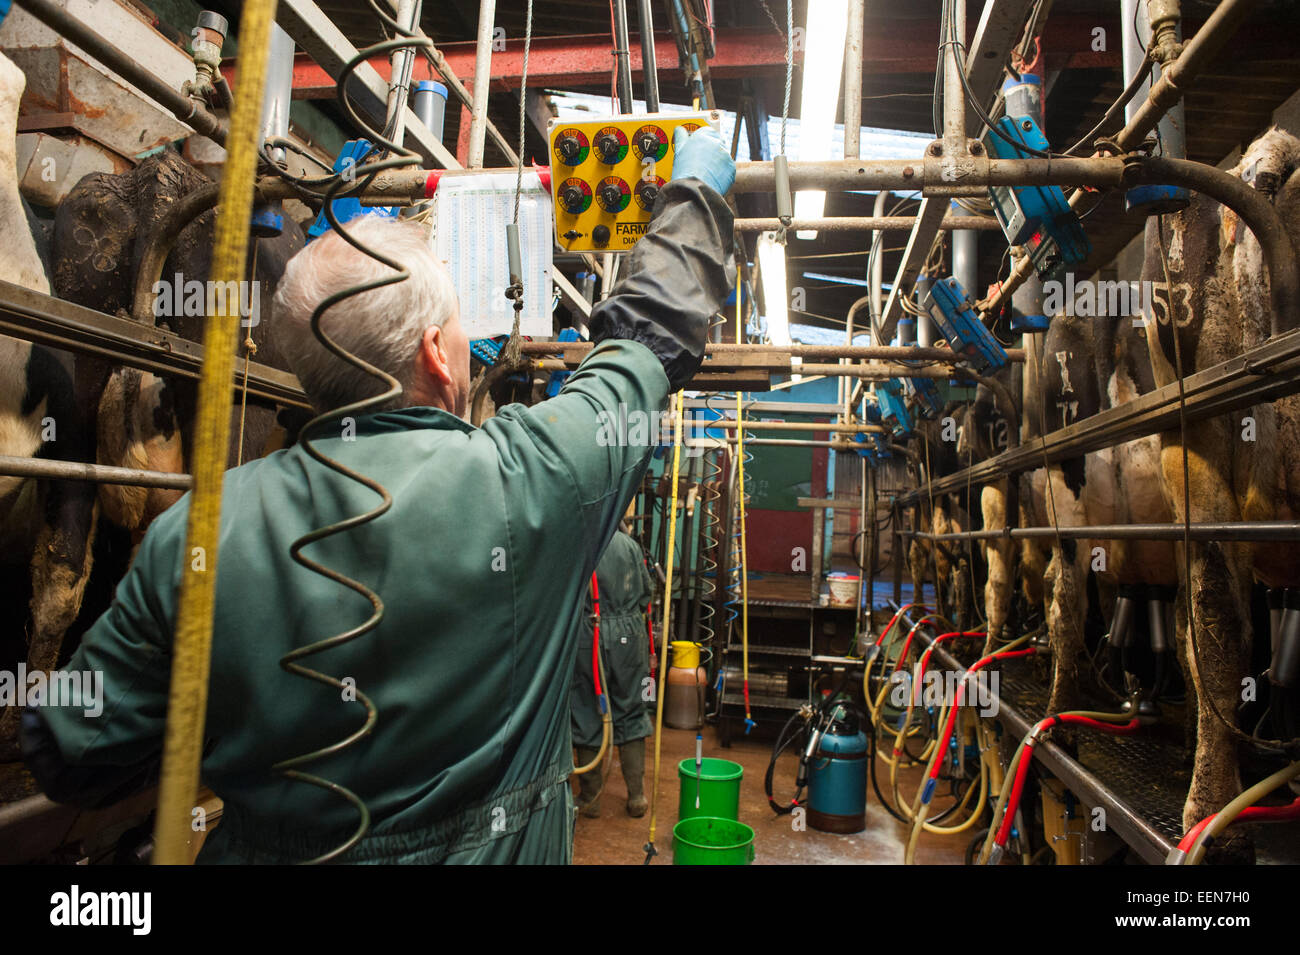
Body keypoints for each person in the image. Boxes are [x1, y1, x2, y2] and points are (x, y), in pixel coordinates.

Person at [20, 126, 736, 864]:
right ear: (435, 351)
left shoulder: (195, 532)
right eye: (459, 326)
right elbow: (649, 340)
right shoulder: (536, 477)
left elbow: (69, 750)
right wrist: (694, 194)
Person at [571, 523, 655, 818]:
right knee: (632, 708)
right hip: (628, 636)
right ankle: (637, 797)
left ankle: (591, 799)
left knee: (586, 709)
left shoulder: (578, 543)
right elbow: (647, 593)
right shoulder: (629, 545)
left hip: (588, 632)